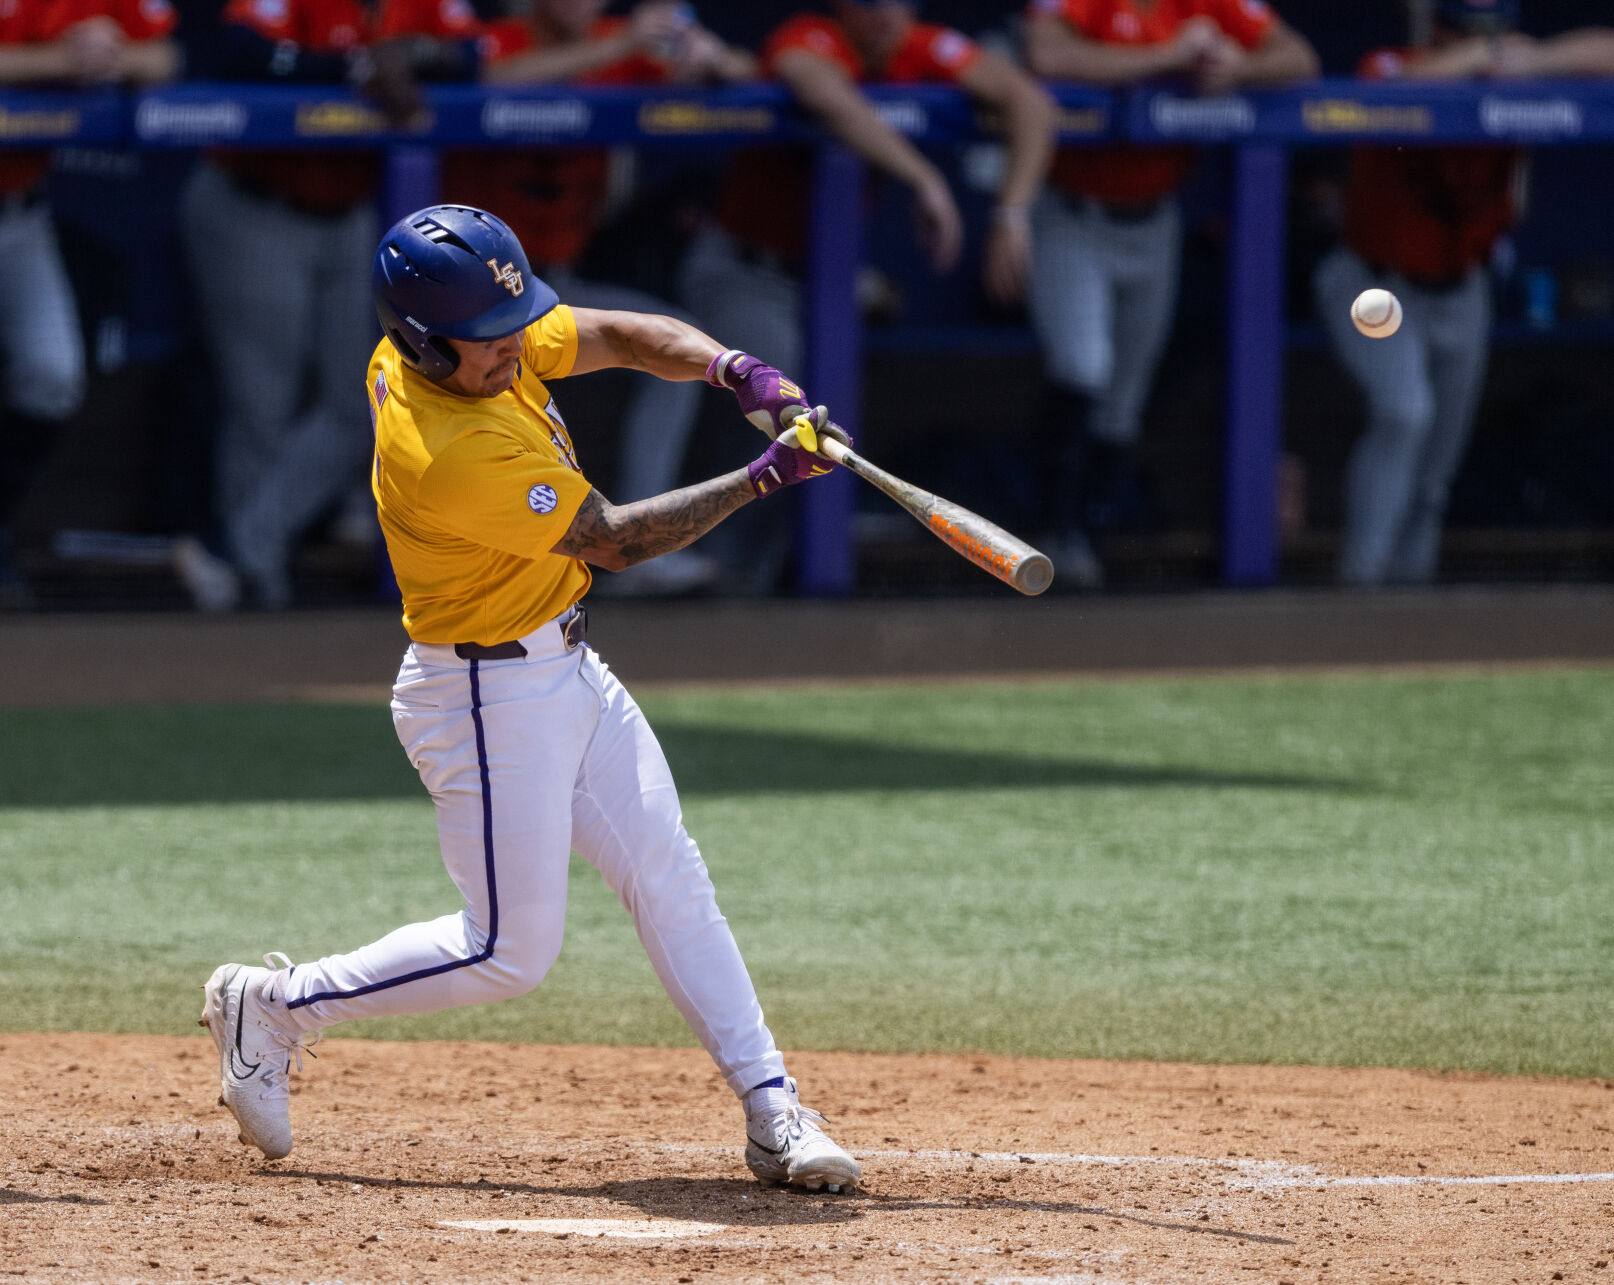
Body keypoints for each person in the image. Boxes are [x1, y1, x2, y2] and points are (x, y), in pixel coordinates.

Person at [199, 203, 862, 1195]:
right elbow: (616, 540)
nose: (515, 352)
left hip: (566, 667)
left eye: (517, 331)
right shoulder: (444, 448)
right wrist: (768, 476)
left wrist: (741, 375)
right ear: (423, 345)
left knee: (668, 874)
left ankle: (773, 1109)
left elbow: (626, 334)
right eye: (488, 344)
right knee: (509, 952)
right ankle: (276, 1004)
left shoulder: (469, 333)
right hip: (481, 693)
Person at [677, 0, 1056, 591]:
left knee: (813, 419)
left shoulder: (918, 45)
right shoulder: (809, 35)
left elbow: (1030, 102)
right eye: (869, 4)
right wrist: (925, 179)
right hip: (745, 268)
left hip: (824, 278)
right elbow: (823, 93)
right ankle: (711, 569)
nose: (886, 15)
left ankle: (750, 577)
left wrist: (1010, 212)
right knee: (772, 404)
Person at [427, 0, 756, 596]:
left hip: (544, 288)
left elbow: (735, 75)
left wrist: (714, 61)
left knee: (672, 342)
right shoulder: (501, 39)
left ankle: (643, 537)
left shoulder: (622, 43)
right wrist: (619, 46)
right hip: (459, 297)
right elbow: (485, 79)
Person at [1313, 0, 1614, 587]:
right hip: (1377, 285)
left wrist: (1528, 60)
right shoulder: (1389, 63)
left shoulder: (1514, 73)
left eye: (1489, 32)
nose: (1477, 43)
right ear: (1437, 27)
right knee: (1404, 412)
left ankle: (1412, 591)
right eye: (1465, 31)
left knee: (1439, 459)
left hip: (1461, 289)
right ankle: (1361, 581)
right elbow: (1391, 90)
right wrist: (1483, 56)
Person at [1022, 0, 1317, 586]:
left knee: (1124, 397)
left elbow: (1299, 58)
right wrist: (1168, 57)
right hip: (1075, 213)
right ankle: (1049, 529)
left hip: (1154, 221)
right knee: (1082, 367)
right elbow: (1047, 53)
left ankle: (1085, 539)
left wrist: (1236, 70)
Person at [180, 0, 445, 609]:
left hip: (347, 209)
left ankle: (235, 553)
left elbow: (476, 55)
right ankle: (252, 586)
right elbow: (243, 54)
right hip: (256, 203)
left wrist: (415, 56)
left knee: (364, 403)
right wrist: (356, 68)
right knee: (261, 409)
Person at [0, 0, 180, 608]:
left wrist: (111, 56)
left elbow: (165, 56)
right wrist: (54, 60)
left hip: (22, 214)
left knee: (51, 376)